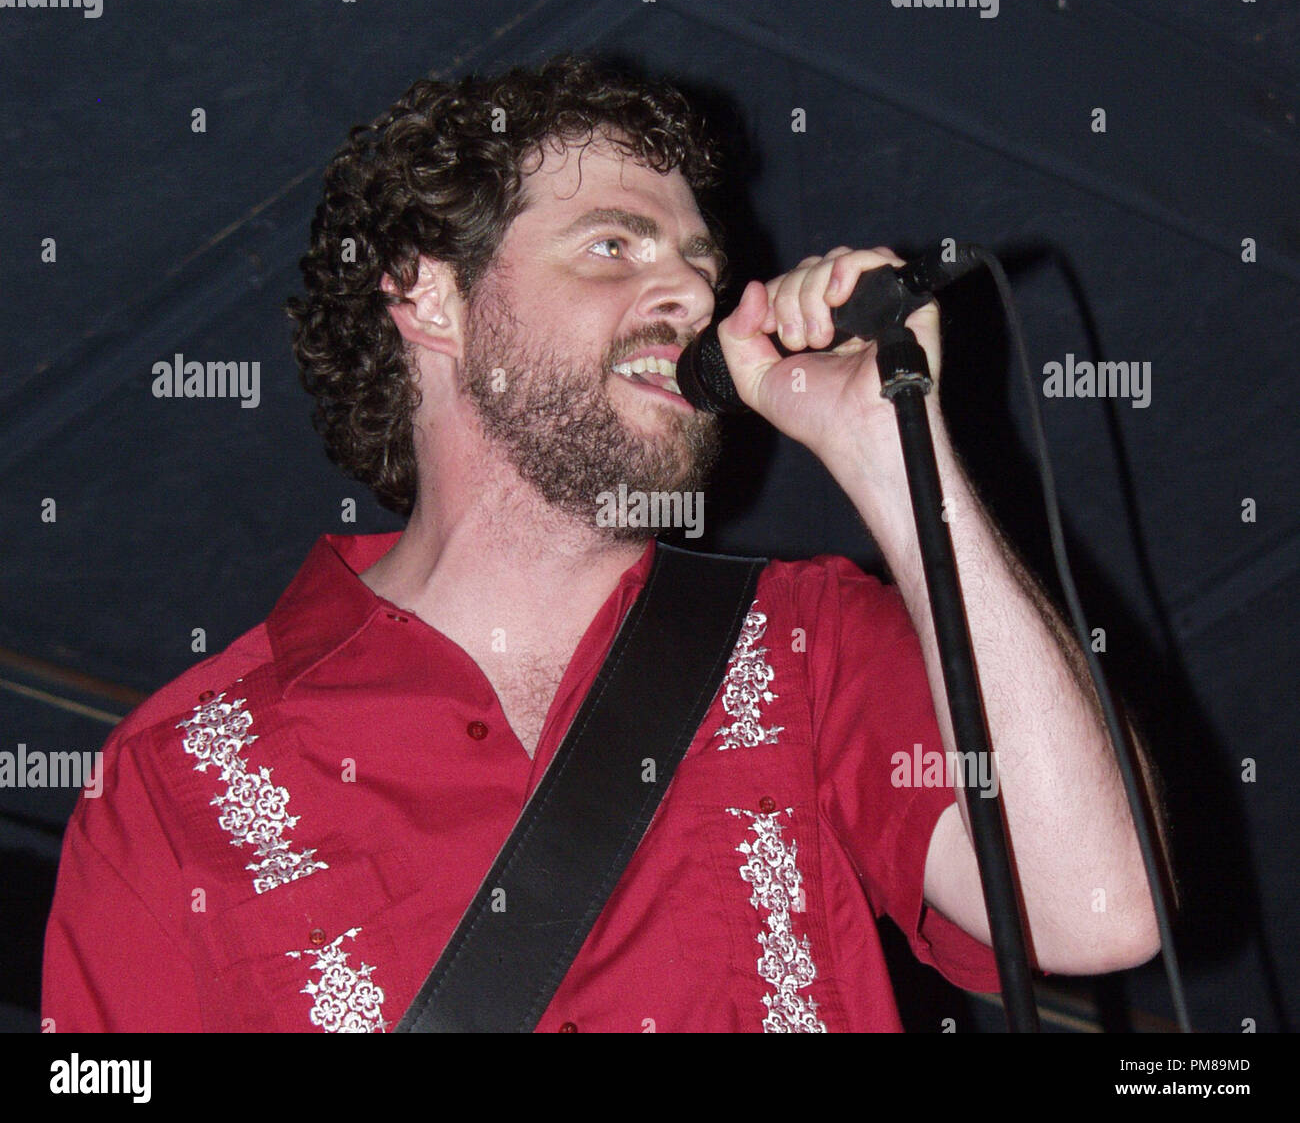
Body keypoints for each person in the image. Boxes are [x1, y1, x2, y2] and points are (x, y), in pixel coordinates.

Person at [41, 54, 1162, 1033]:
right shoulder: (173, 777)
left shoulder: (806, 641)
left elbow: (1100, 906)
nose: (688, 288)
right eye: (613, 244)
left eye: (697, 260)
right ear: (431, 296)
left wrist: (889, 452)